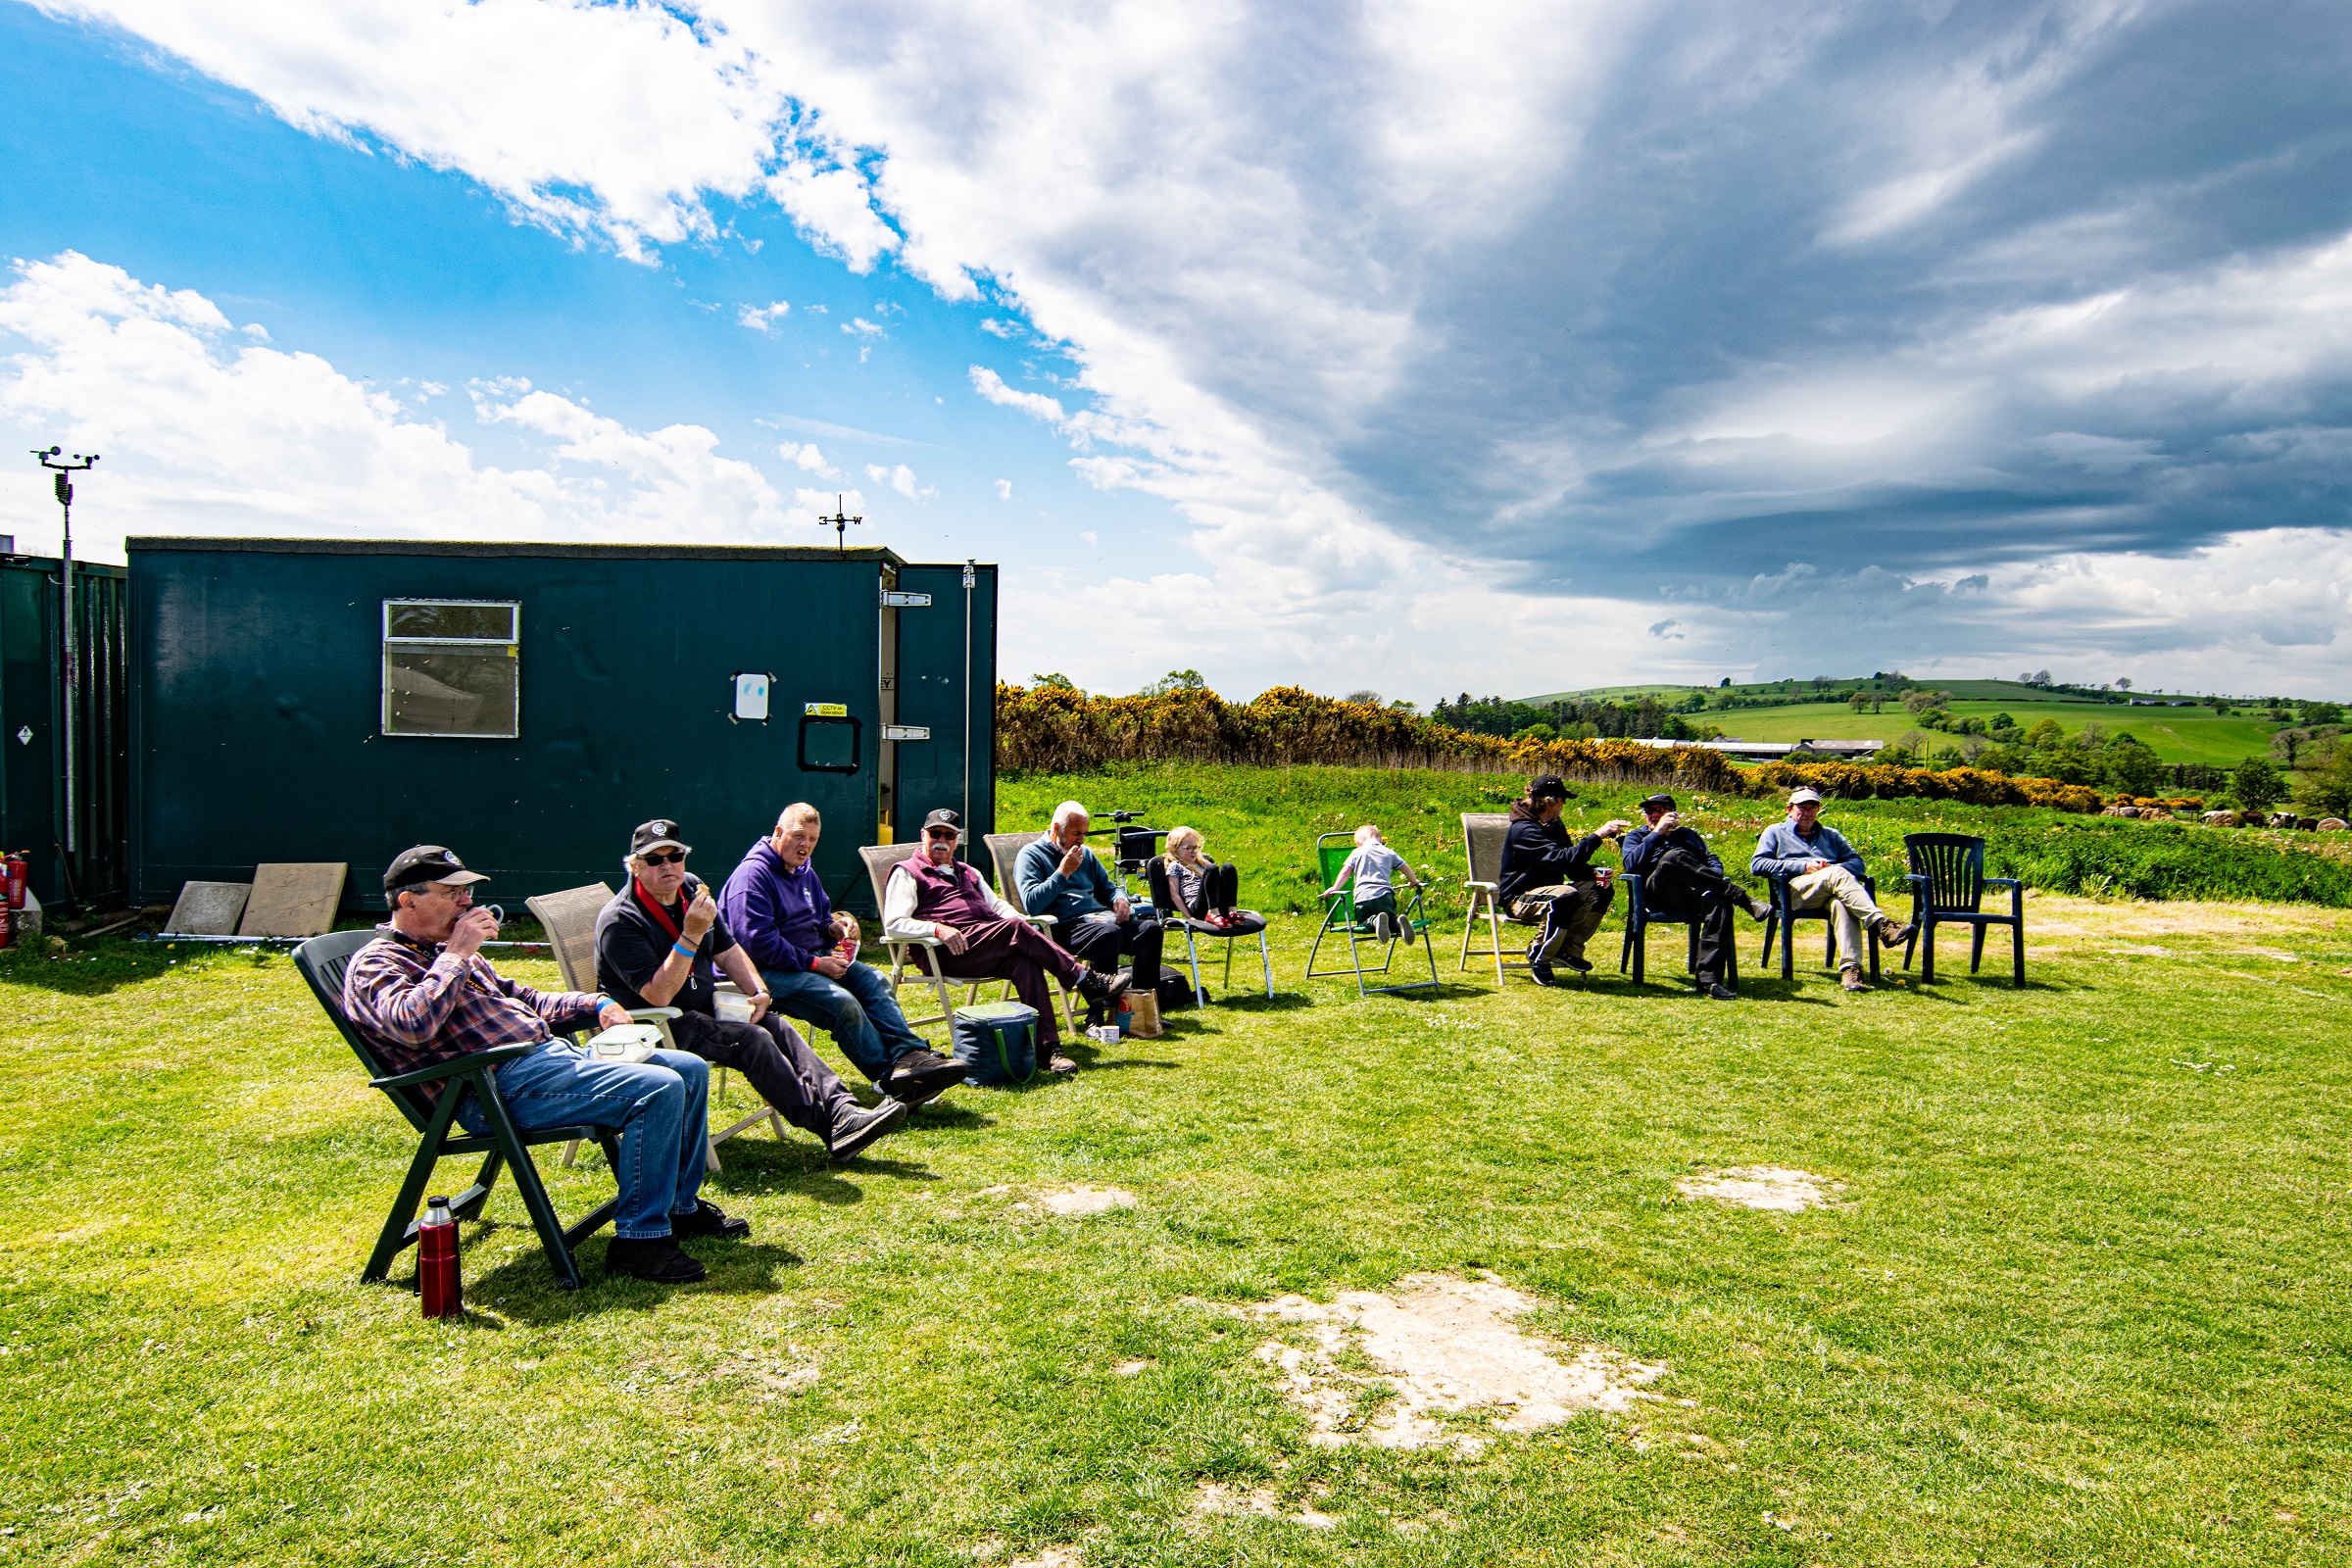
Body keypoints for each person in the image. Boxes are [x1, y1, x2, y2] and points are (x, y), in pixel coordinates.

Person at [342, 843, 744, 1286]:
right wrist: (456, 955)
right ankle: (640, 1242)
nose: (466, 902)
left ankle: (678, 1209)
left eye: (467, 891)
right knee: (659, 1087)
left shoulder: (446, 950)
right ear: (408, 900)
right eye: (452, 892)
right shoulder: (377, 963)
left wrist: (596, 1003)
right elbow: (413, 1024)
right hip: (491, 1088)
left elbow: (523, 997)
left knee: (688, 1068)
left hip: (545, 1062)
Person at [593, 818, 908, 1163]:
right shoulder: (621, 920)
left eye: (675, 856)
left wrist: (758, 990)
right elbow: (658, 995)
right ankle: (829, 1124)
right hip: (656, 1026)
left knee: (775, 1024)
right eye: (655, 860)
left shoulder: (690, 889)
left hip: (703, 1007)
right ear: (635, 867)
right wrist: (691, 935)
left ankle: (842, 1107)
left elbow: (727, 949)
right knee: (752, 1039)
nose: (667, 866)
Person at [718, 803, 966, 1106]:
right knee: (841, 1002)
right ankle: (889, 1077)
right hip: (759, 974)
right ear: (778, 832)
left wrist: (834, 927)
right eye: (798, 836)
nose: (805, 845)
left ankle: (910, 1056)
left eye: (812, 839)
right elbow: (757, 943)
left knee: (874, 980)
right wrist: (815, 963)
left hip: (808, 959)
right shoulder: (752, 876)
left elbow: (820, 915)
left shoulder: (803, 870)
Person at [885, 808, 1123, 1075]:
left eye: (948, 836)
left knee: (1025, 962)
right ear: (923, 835)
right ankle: (1084, 978)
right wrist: (937, 929)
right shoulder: (908, 872)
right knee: (1014, 929)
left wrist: (1025, 923)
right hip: (945, 952)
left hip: (984, 945)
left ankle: (1048, 1051)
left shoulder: (968, 872)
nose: (941, 840)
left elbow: (998, 907)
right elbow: (893, 923)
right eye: (935, 834)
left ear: (957, 840)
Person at [1749, 787, 1914, 992]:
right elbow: (1758, 864)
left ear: (1818, 810)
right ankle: (1881, 925)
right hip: (1794, 891)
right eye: (1802, 807)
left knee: (1842, 904)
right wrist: (1803, 866)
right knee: (1835, 874)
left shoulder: (1831, 835)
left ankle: (1851, 971)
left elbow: (1858, 864)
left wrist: (1831, 869)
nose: (1808, 812)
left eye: (1813, 807)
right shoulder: (1775, 832)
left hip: (1830, 889)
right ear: (1789, 808)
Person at [1618, 792, 1772, 1000]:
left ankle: (1709, 981)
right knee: (1674, 856)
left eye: (1661, 810)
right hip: (1656, 895)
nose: (1654, 815)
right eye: (1650, 811)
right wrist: (1658, 833)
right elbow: (1630, 865)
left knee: (1719, 903)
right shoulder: (1636, 836)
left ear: (1673, 814)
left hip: (1690, 895)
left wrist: (1713, 878)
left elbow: (1711, 860)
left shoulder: (1687, 835)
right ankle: (1742, 898)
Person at [1498, 773, 1632, 986]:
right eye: (1563, 800)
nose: (1564, 805)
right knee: (1564, 896)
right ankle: (1540, 956)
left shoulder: (1553, 825)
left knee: (1601, 889)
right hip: (1520, 897)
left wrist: (1594, 874)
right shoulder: (1523, 829)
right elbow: (1559, 859)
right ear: (1550, 801)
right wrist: (1597, 836)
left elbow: (1570, 865)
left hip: (1551, 891)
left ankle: (1567, 950)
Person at [1014, 801, 1167, 986]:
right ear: (1056, 829)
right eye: (1076, 833)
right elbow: (1032, 904)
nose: (1081, 840)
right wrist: (1063, 872)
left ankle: (1142, 998)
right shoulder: (1031, 855)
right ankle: (1104, 999)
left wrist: (1119, 899)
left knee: (1150, 930)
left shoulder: (1085, 854)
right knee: (1109, 933)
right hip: (1062, 927)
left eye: (1084, 834)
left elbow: (1109, 888)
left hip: (1098, 921)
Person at [1322, 822, 1424, 943]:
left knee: (1363, 922)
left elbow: (1345, 872)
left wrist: (1335, 887)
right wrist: (1413, 881)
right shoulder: (1388, 852)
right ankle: (1398, 924)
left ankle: (1375, 921)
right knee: (1390, 921)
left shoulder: (1357, 852)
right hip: (1385, 897)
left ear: (1359, 842)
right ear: (1380, 839)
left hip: (1363, 899)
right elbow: (1404, 867)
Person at [1160, 826, 1247, 928]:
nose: (1193, 851)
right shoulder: (1175, 866)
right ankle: (1213, 914)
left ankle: (1232, 912)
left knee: (1228, 868)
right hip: (1199, 909)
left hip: (1217, 905)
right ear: (1175, 849)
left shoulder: (1203, 863)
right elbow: (1175, 895)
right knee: (1212, 869)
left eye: (1195, 847)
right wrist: (1189, 917)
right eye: (1188, 848)